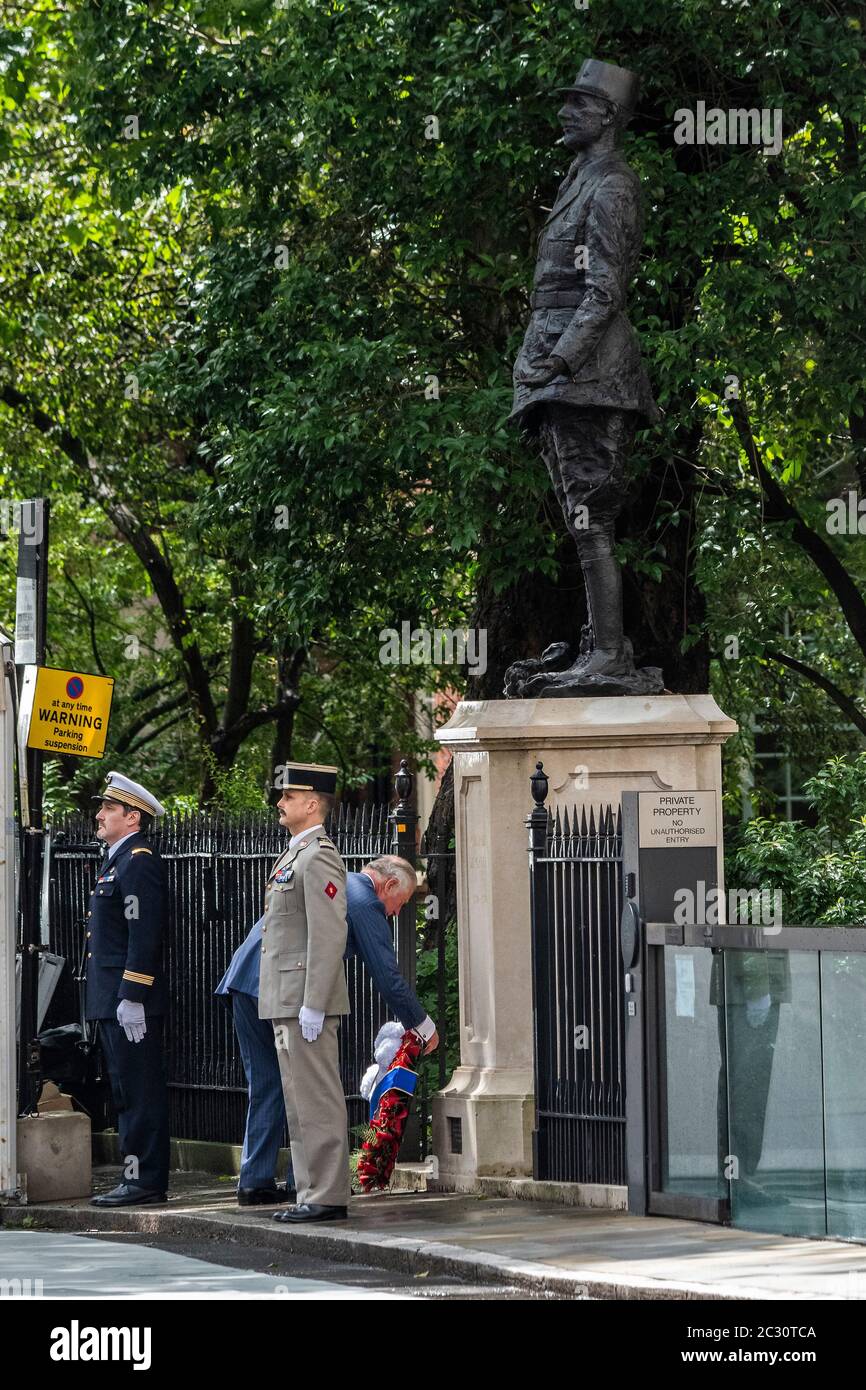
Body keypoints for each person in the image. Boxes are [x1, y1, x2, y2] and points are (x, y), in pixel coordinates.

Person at [216, 854, 437, 1208]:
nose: (397, 913)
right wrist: (423, 1026)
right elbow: (387, 975)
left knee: (269, 1083)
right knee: (310, 1087)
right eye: (402, 903)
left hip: (245, 980)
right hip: (285, 991)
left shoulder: (335, 881)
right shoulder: (363, 900)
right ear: (390, 884)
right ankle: (307, 1181)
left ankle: (255, 1180)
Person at [257, 764, 352, 1224]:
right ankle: (311, 1189)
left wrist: (315, 1000)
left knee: (316, 1097)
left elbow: (329, 933)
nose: (281, 803)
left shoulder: (319, 857)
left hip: (304, 999)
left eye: (289, 797)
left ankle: (328, 1193)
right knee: (298, 1100)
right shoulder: (295, 854)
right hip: (287, 996)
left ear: (312, 803)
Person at [85, 771, 170, 1208]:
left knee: (138, 1094)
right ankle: (134, 1176)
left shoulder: (138, 861)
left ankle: (143, 1180)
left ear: (132, 817)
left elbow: (144, 935)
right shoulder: (118, 860)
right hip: (112, 1000)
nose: (99, 816)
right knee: (125, 1092)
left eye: (108, 809)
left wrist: (132, 996)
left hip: (128, 1001)